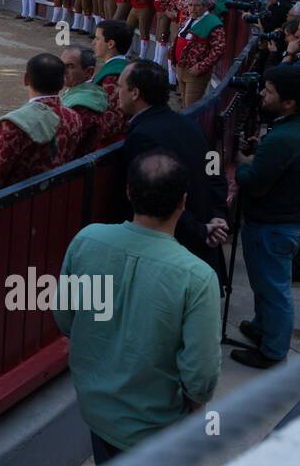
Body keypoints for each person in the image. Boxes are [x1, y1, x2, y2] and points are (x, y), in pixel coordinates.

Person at [55, 151, 221, 465]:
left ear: (129, 192)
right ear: (183, 203)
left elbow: (65, 320)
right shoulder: (197, 277)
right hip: (156, 428)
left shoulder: (86, 241)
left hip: (97, 411)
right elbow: (201, 377)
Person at [231, 66, 300, 369]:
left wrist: (240, 165)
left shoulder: (284, 138)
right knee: (268, 286)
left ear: (288, 103)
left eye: (269, 90)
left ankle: (274, 352)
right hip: (296, 220)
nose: (262, 93)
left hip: (273, 225)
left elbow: (254, 183)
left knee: (274, 290)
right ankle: (263, 327)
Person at [118, 60, 230, 286]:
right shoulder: (189, 124)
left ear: (135, 93)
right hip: (201, 241)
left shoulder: (143, 136)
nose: (116, 92)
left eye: (120, 87)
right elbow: (214, 171)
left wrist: (200, 230)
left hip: (172, 250)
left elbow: (156, 198)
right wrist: (218, 216)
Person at [0, 54, 83, 189]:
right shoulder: (74, 117)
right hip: (58, 194)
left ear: (26, 79)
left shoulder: (13, 124)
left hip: (16, 203)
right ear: (62, 83)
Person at [171, 0, 227, 107]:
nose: (192, 8)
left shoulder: (213, 23)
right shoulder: (188, 18)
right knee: (184, 104)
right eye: (190, 5)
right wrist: (173, 60)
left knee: (191, 107)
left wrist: (201, 66)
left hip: (195, 72)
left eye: (197, 6)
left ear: (205, 6)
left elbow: (218, 50)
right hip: (181, 68)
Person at [60, 45, 108, 157]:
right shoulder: (85, 92)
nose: (63, 71)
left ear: (89, 72)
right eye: (61, 65)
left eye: (70, 66)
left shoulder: (81, 106)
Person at [91, 19, 133, 147]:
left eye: (97, 39)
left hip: (109, 145)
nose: (93, 43)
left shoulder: (114, 75)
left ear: (110, 44)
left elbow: (114, 118)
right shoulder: (122, 66)